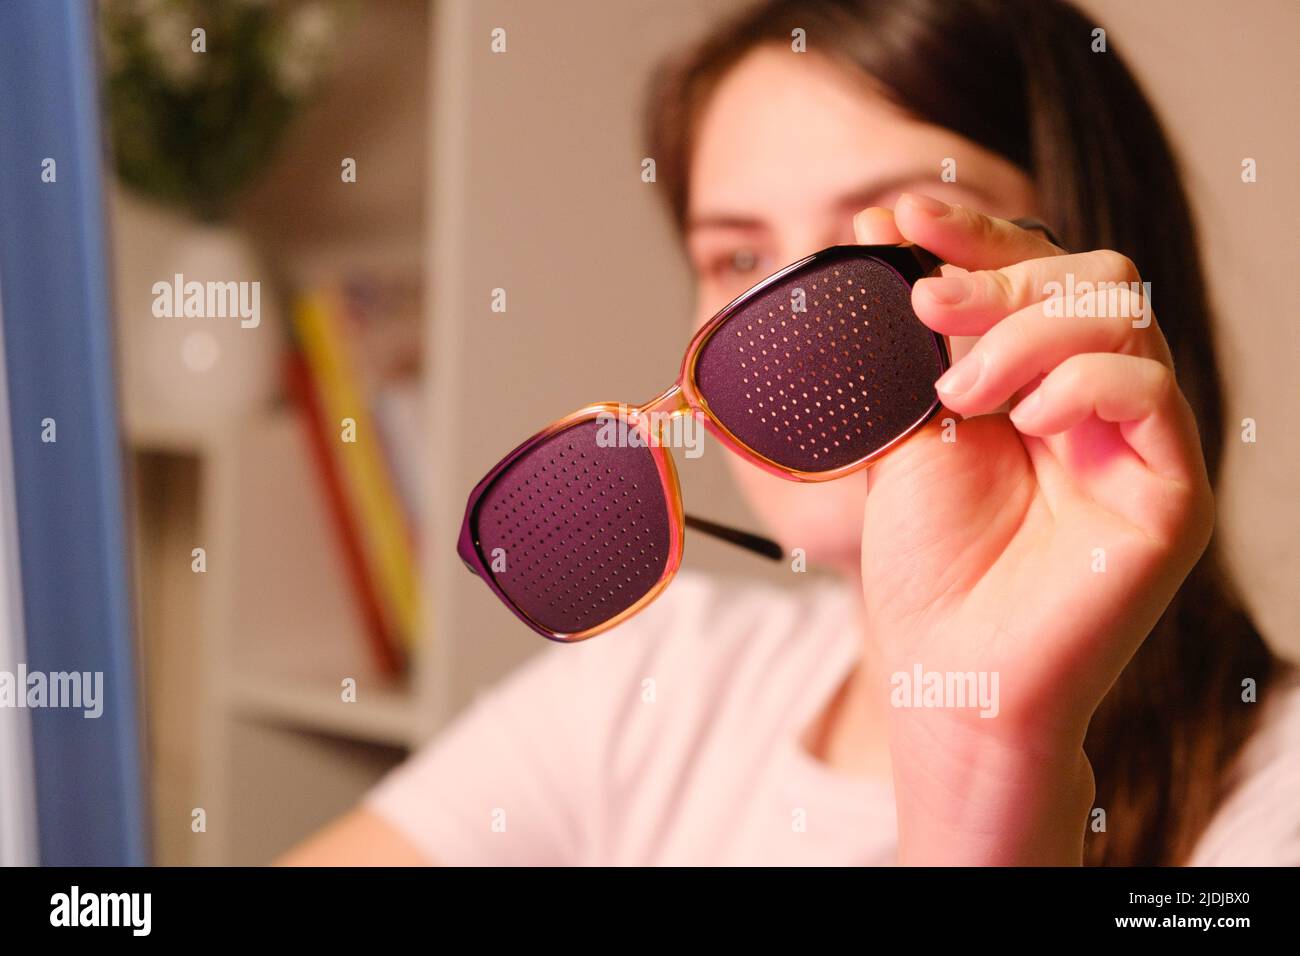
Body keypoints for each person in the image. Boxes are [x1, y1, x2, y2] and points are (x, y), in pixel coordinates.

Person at [281, 0, 1298, 865]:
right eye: (734, 260)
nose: (786, 336)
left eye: (878, 241)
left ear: (1073, 272)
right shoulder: (657, 678)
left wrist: (988, 759)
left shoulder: (1277, 786)